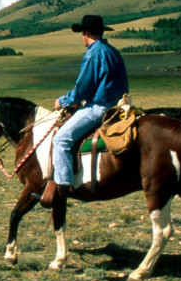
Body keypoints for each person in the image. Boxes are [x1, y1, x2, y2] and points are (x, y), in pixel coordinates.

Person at [42, 15, 128, 206]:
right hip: (119, 105)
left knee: (60, 139)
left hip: (99, 107)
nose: (82, 36)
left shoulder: (93, 53)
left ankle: (63, 187)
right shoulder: (113, 51)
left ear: (86, 33)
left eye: (82, 33)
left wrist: (62, 101)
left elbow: (82, 89)